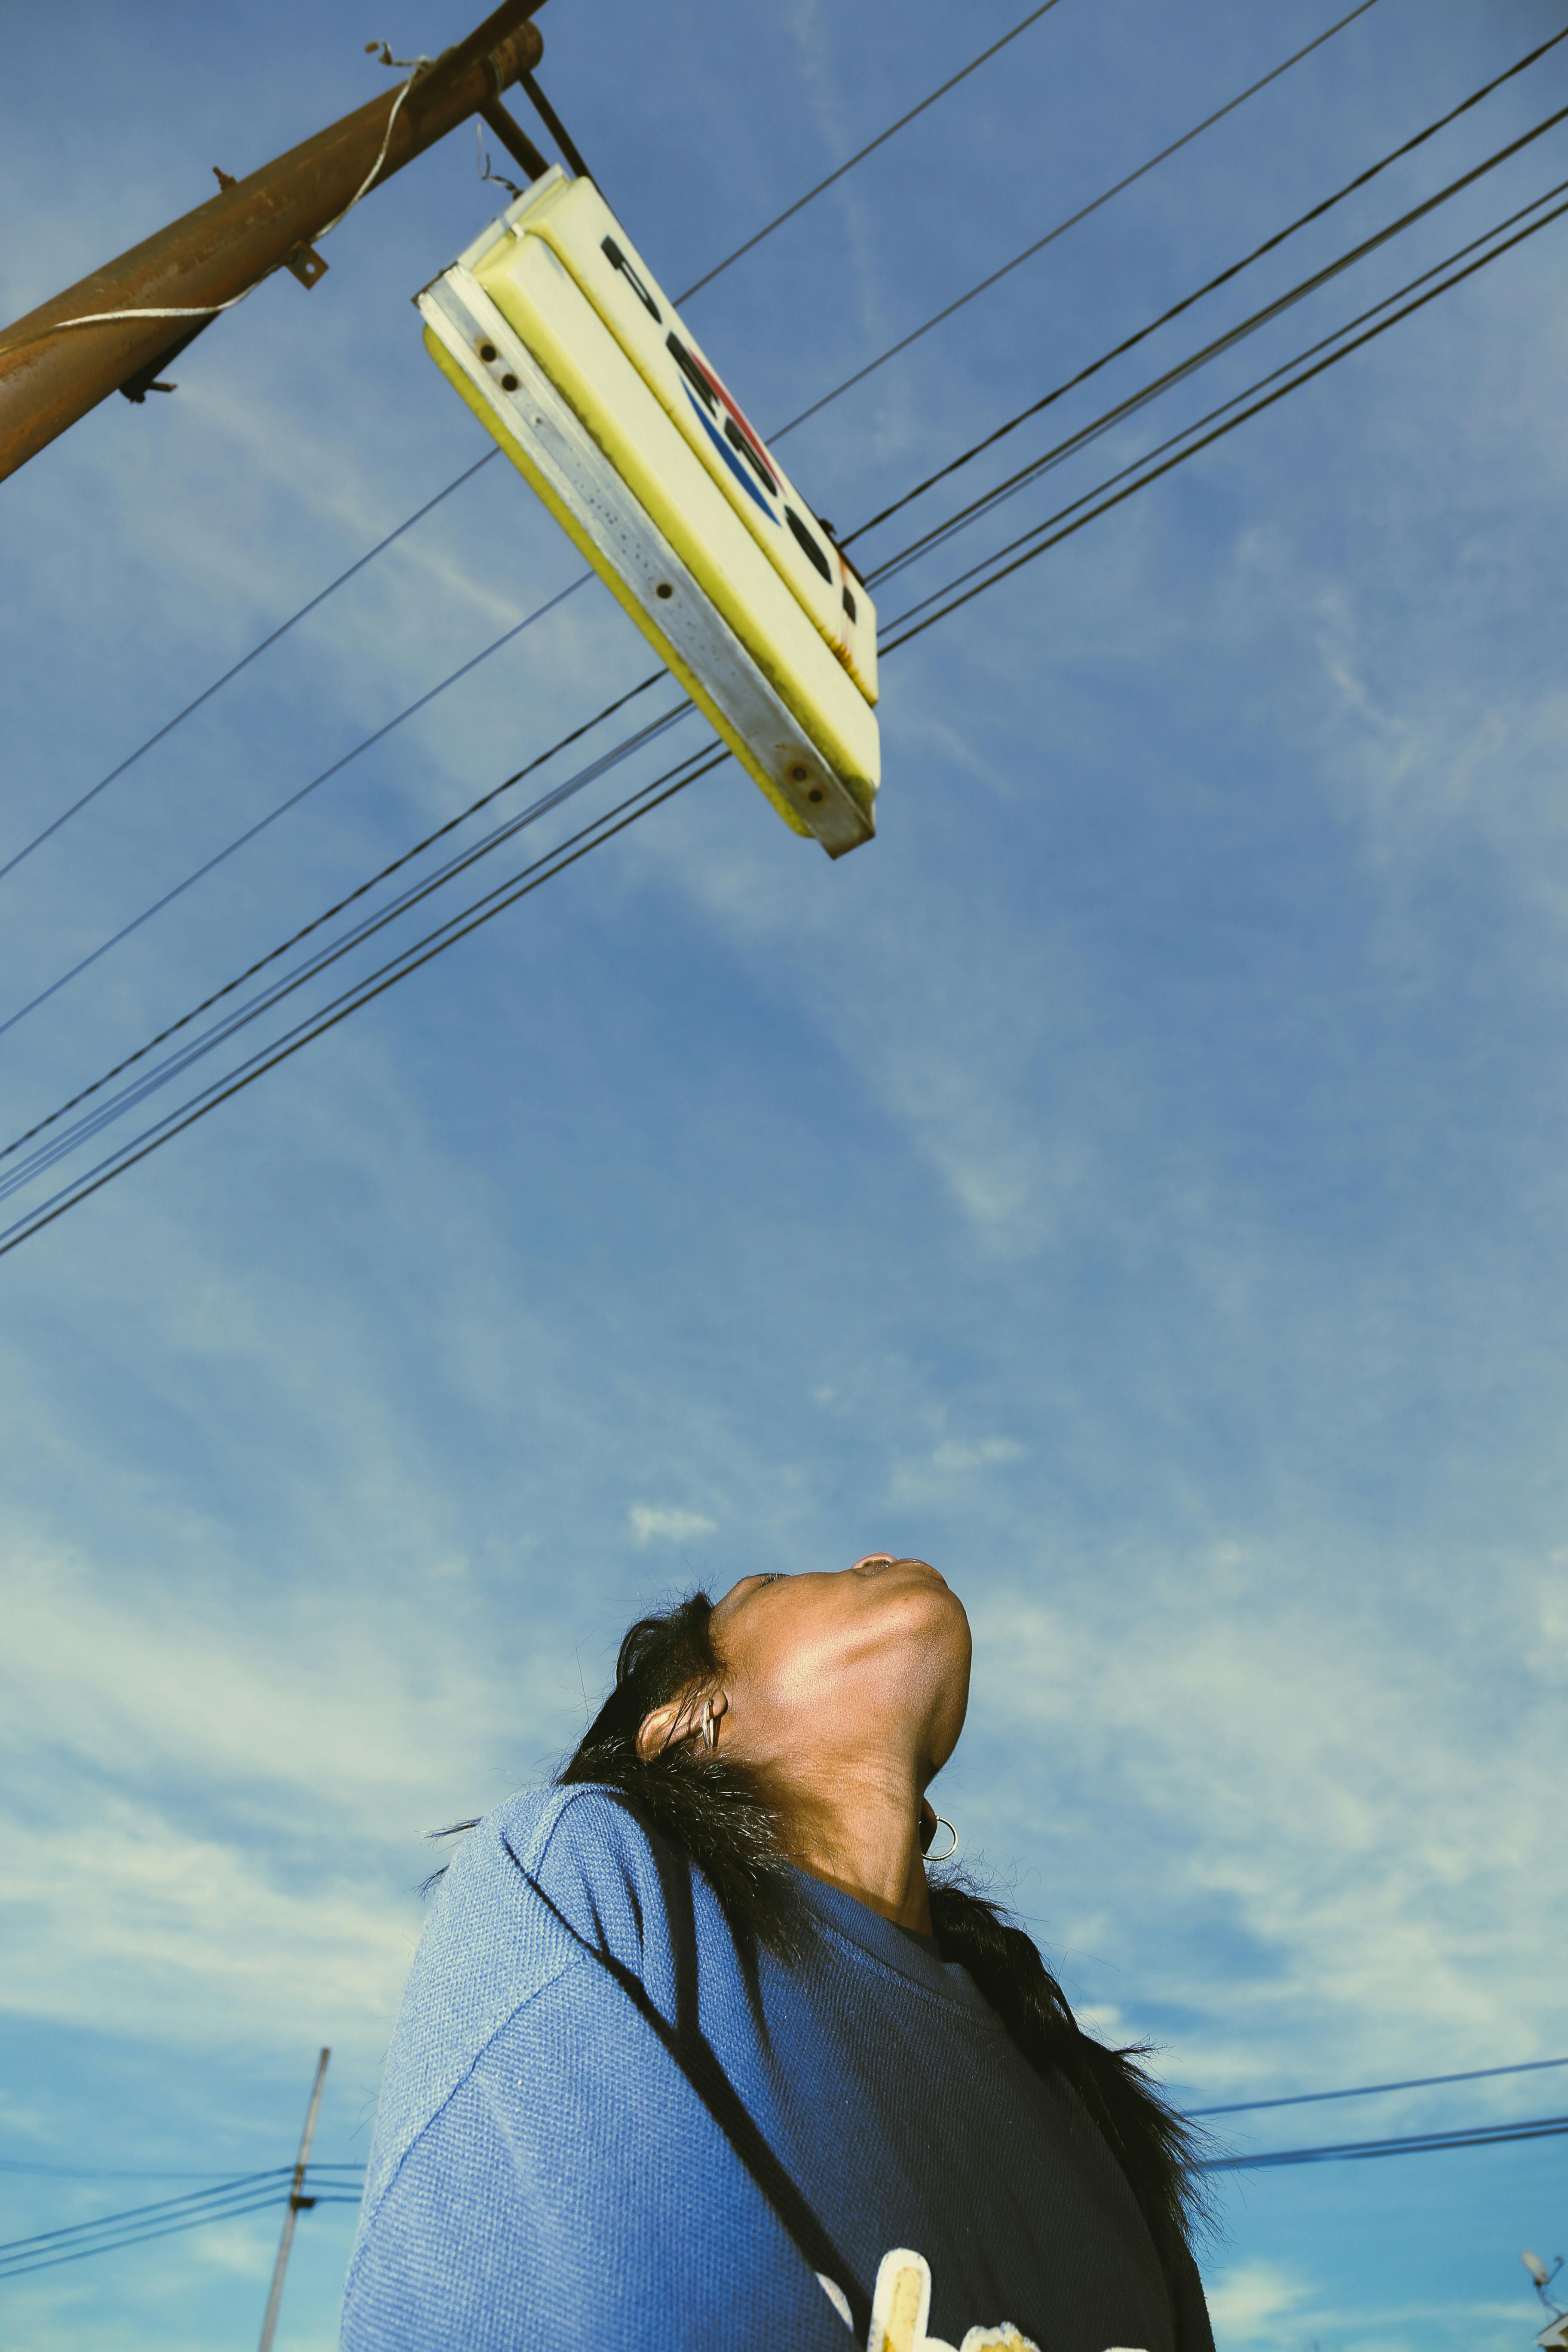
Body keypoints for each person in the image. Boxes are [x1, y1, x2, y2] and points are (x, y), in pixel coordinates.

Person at [341, 1555, 1213, 2352]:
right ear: (687, 1723)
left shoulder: (1085, 2104)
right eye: (766, 1583)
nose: (873, 1557)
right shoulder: (594, 1876)